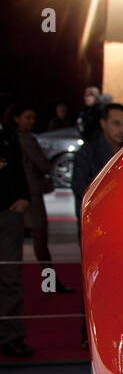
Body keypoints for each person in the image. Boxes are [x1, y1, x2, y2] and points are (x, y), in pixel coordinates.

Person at [4, 102, 73, 292]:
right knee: (41, 245)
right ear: (17, 118)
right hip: (30, 195)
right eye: (27, 117)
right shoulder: (24, 139)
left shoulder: (12, 138)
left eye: (33, 118)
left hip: (21, 194)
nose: (31, 122)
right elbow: (42, 164)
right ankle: (50, 285)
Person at [72, 103, 123, 225]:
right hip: (96, 221)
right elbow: (80, 187)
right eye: (116, 124)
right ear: (103, 123)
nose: (122, 130)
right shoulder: (88, 152)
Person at [0, 143, 32, 357]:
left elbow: (17, 168)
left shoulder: (8, 135)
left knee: (10, 277)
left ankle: (11, 335)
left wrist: (23, 197)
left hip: (7, 211)